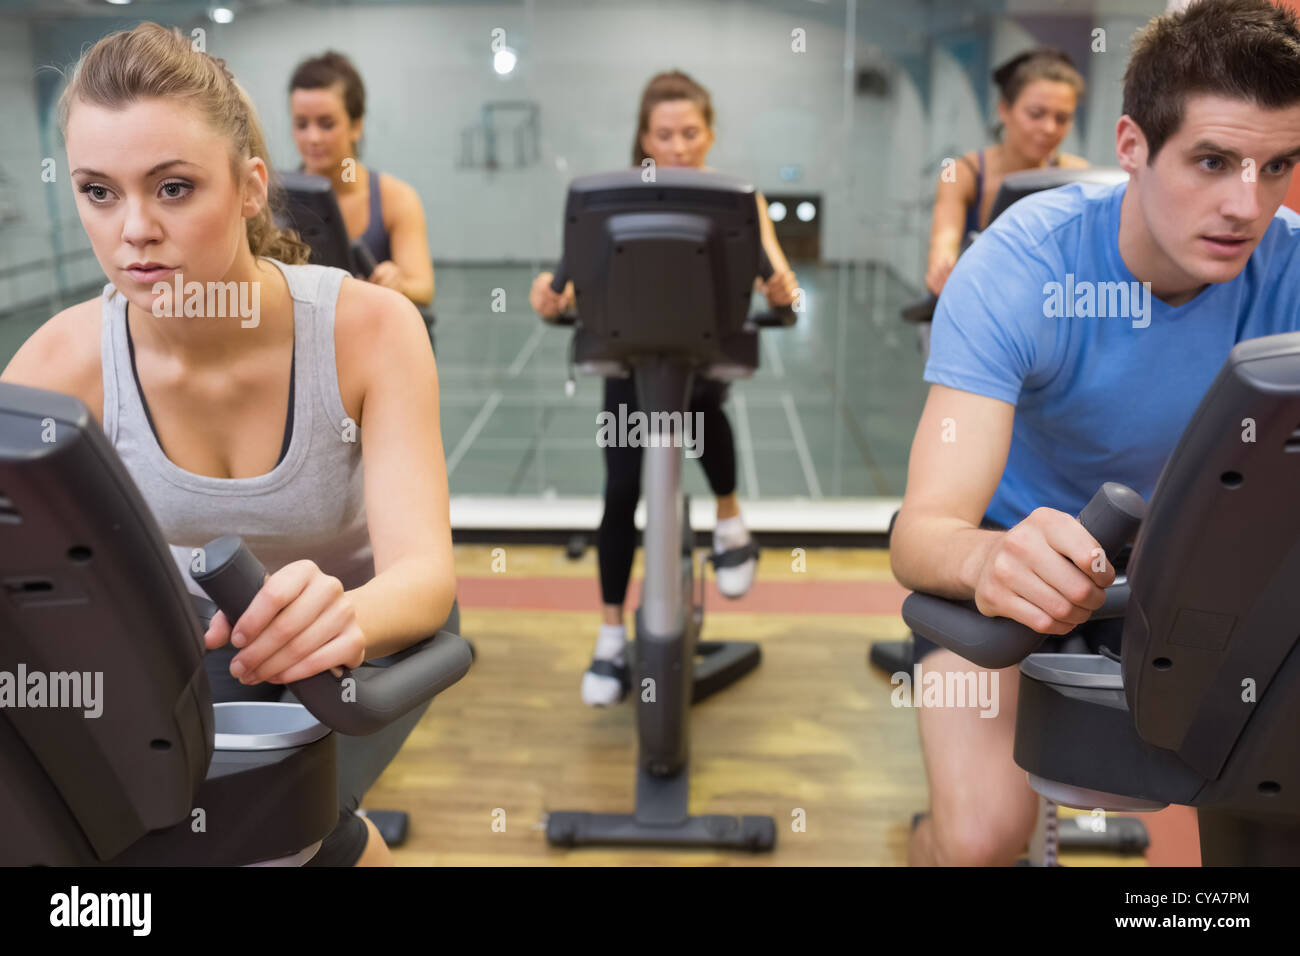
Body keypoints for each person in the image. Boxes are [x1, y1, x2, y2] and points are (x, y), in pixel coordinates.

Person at [0, 23, 456, 866]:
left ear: (250, 189)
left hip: (359, 645)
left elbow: (425, 580)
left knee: (278, 833)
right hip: (181, 658)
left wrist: (342, 619)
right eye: (98, 192)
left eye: (173, 188)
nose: (133, 229)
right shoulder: (59, 363)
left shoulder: (369, 330)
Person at [890, 0, 1300, 866]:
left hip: (1188, 582)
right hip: (1009, 565)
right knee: (979, 841)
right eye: (1213, 161)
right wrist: (987, 561)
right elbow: (921, 534)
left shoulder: (1292, 267)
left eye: (1277, 167)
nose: (1246, 204)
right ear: (1131, 147)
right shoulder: (1019, 268)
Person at [529, 70, 799, 707]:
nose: (679, 146)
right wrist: (549, 295)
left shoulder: (738, 198)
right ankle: (608, 635)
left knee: (706, 406)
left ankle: (730, 522)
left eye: (691, 132)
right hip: (630, 362)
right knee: (621, 489)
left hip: (699, 358)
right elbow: (567, 285)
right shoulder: (613, 197)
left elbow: (779, 274)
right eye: (665, 134)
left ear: (710, 133)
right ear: (644, 139)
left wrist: (786, 290)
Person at [925, 48, 1087, 296]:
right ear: (1004, 109)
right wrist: (943, 268)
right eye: (1036, 114)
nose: (1049, 128)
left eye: (1062, 118)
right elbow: (943, 244)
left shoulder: (1078, 176)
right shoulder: (963, 173)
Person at [289, 51, 434, 307]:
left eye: (327, 124)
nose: (313, 138)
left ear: (356, 125)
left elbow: (423, 288)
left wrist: (398, 283)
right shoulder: (276, 200)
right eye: (302, 124)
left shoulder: (395, 198)